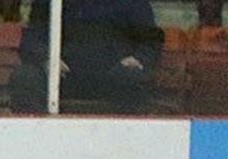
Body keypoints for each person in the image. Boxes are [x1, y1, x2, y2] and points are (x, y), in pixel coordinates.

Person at [8, 0, 162, 114]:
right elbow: (32, 38)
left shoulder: (131, 2)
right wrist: (46, 59)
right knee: (25, 77)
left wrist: (139, 58)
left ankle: (126, 144)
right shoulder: (51, 2)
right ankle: (33, 141)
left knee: (131, 78)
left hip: (113, 80)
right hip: (62, 79)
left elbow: (150, 40)